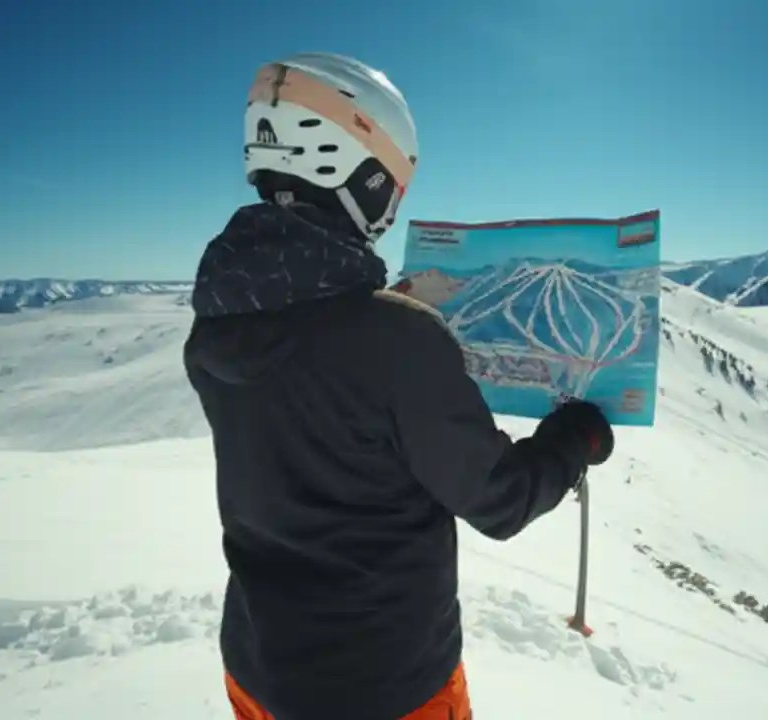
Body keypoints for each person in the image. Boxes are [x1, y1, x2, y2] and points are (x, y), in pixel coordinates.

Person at [183, 52, 615, 720]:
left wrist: (392, 310)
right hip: (387, 686)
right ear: (365, 177)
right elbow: (498, 501)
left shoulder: (217, 324)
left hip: (258, 668)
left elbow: (316, 380)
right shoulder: (398, 341)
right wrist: (571, 440)